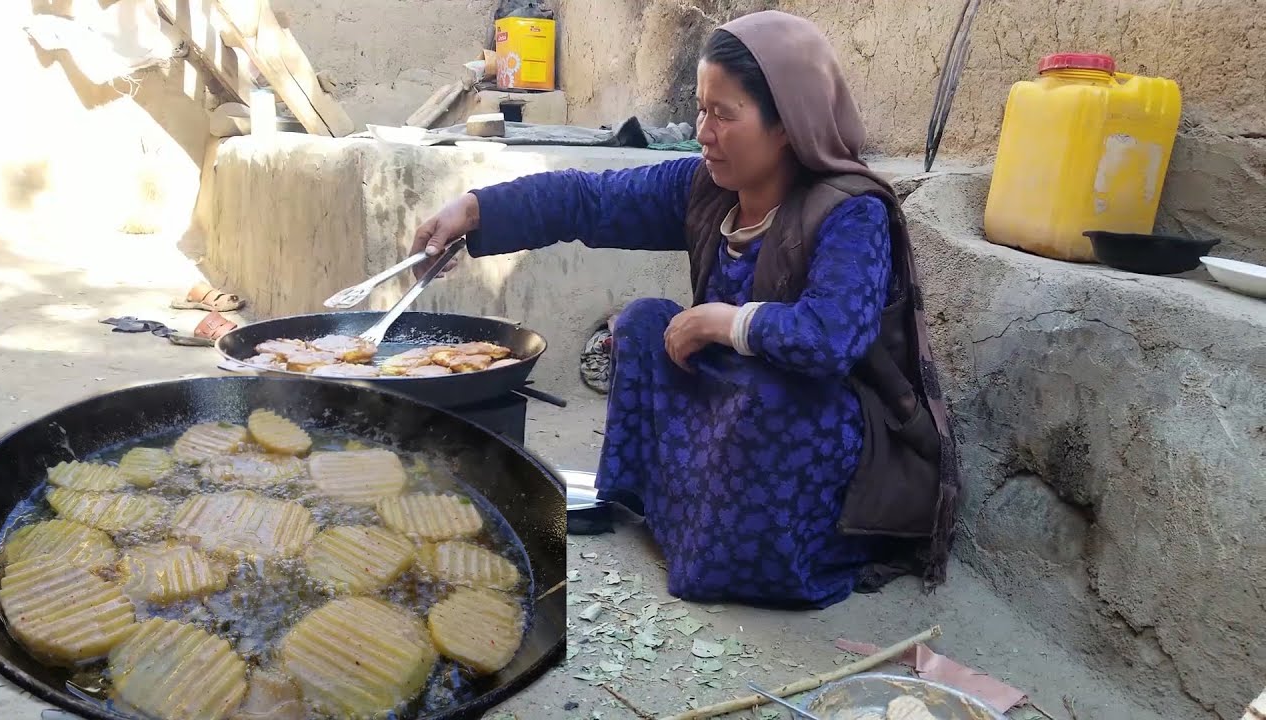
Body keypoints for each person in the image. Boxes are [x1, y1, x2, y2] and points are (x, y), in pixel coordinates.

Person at [410, 11, 958, 608]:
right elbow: (590, 199)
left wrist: (724, 319)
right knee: (645, 324)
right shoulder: (707, 188)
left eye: (725, 115)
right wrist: (474, 210)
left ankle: (738, 551)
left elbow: (832, 339)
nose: (704, 132)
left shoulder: (852, 211)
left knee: (768, 400)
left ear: (786, 126)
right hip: (744, 394)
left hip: (814, 419)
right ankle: (658, 504)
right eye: (701, 109)